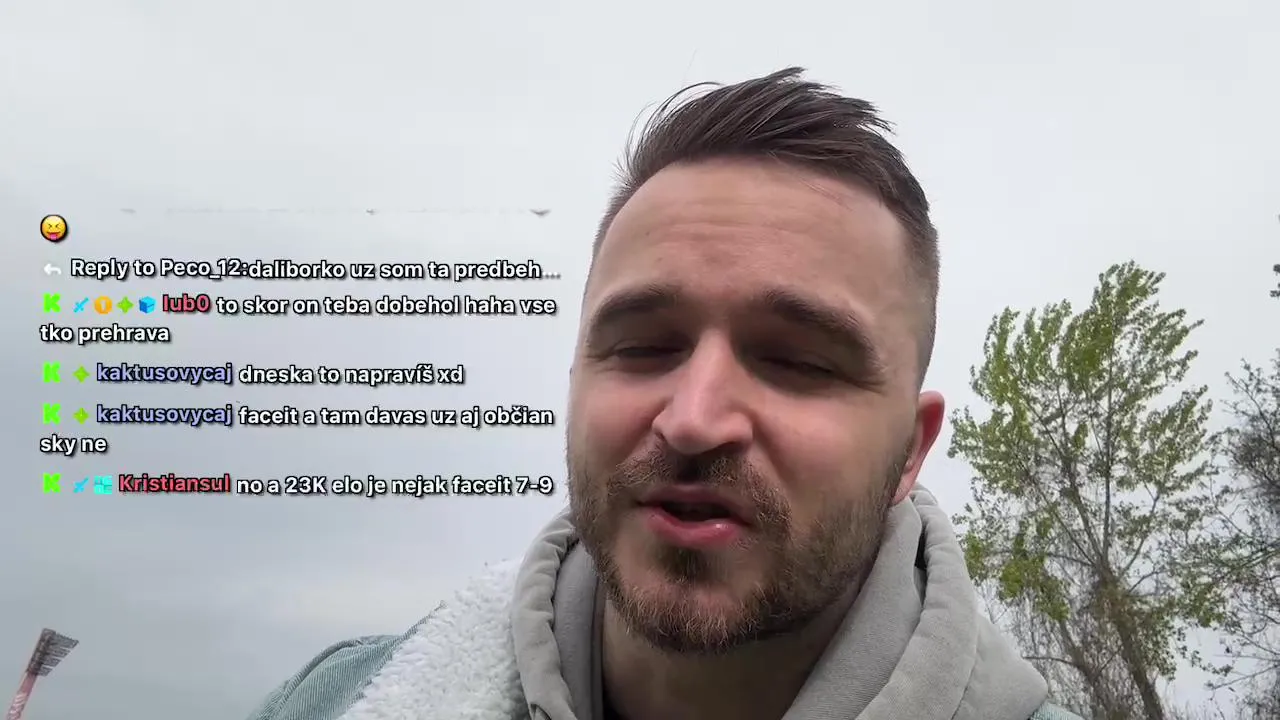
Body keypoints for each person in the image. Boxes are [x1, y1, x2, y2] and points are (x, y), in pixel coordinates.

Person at [247, 68, 1083, 720]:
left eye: (797, 360)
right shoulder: (334, 701)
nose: (692, 420)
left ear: (910, 450)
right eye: (644, 347)